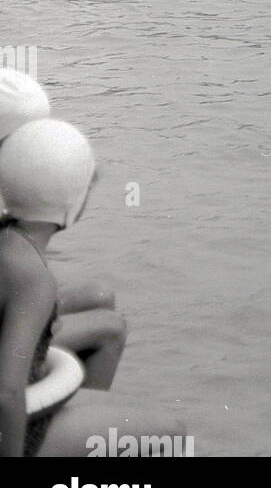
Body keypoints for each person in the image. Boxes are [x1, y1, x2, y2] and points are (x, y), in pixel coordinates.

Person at [0, 118, 182, 456]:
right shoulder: (33, 278)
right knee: (171, 435)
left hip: (30, 399)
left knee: (122, 413)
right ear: (72, 202)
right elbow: (7, 392)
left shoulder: (7, 242)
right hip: (15, 434)